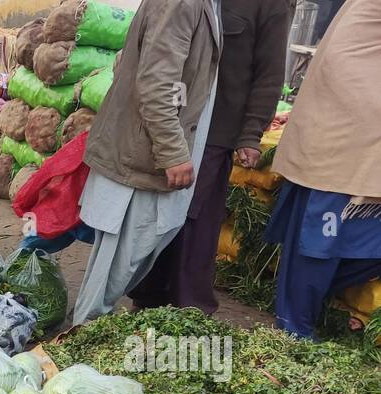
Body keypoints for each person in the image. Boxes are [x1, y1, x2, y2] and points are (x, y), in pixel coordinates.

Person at [130, 0, 292, 314]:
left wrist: (250, 134)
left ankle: (190, 309)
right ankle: (147, 298)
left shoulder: (270, 5)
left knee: (194, 221)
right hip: (170, 120)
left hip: (216, 131)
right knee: (155, 210)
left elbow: (269, 74)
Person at [71, 0, 222, 324]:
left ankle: (89, 334)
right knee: (114, 267)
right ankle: (79, 343)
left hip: (147, 150)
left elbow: (144, 65)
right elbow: (157, 85)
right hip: (140, 156)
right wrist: (173, 152)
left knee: (132, 255)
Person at [264, 0, 381, 337]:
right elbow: (349, 69)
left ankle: (307, 314)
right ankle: (295, 328)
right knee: (318, 247)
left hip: (357, 149)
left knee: (339, 248)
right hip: (341, 150)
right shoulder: (362, 18)